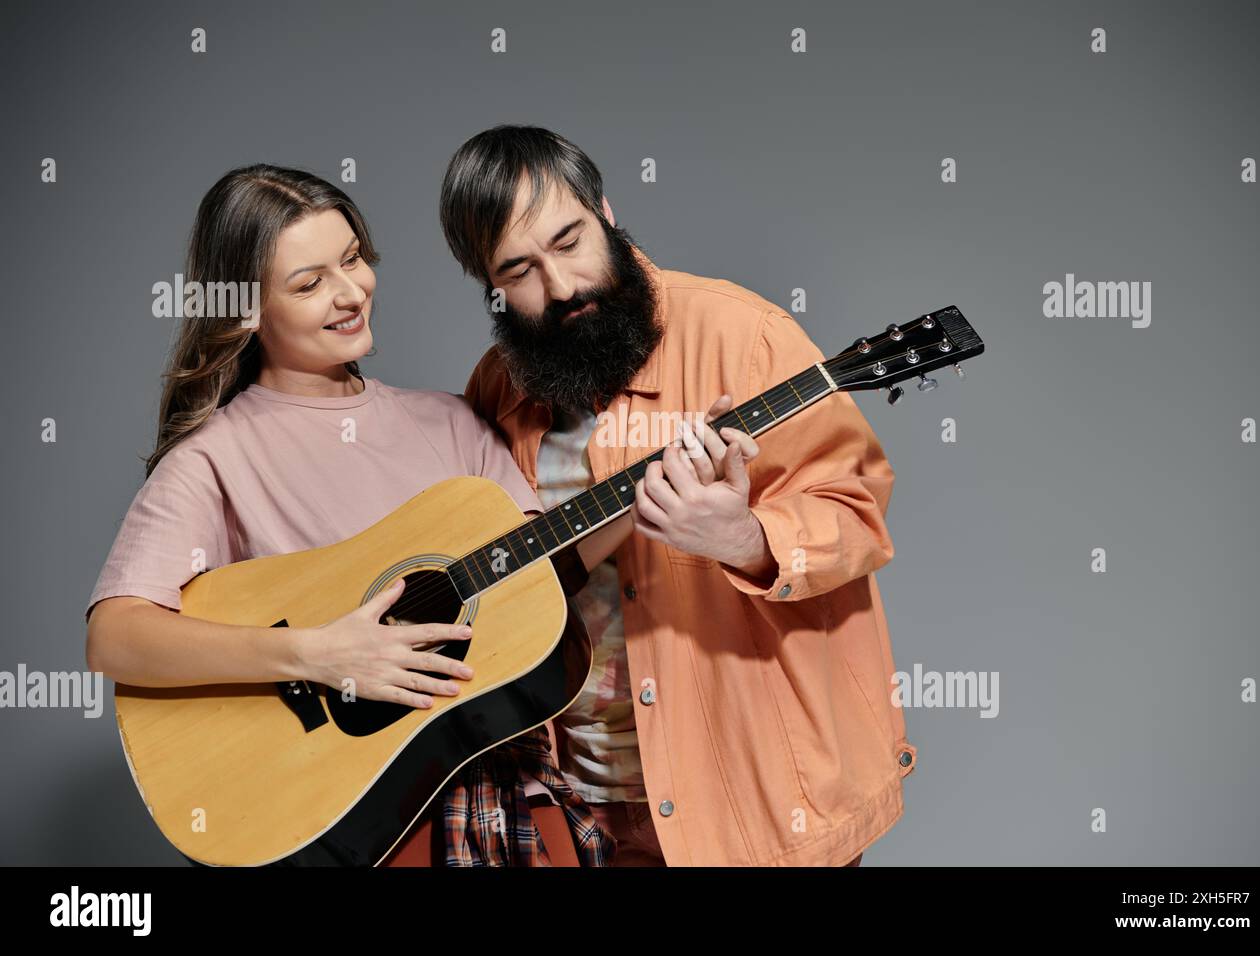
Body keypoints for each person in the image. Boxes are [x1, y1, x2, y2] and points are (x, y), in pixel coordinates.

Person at [83, 163, 628, 866]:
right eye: (308, 284)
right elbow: (114, 638)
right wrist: (314, 653)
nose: (349, 294)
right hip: (370, 824)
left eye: (352, 261)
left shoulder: (450, 422)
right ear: (247, 310)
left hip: (503, 799)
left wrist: (651, 495)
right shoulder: (216, 457)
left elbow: (539, 573)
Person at [440, 125, 919, 866]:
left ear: (604, 210)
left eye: (570, 241)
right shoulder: (497, 389)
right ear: (490, 286)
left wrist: (745, 539)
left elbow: (854, 515)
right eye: (520, 270)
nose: (561, 286)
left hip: (754, 802)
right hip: (579, 807)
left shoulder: (746, 335)